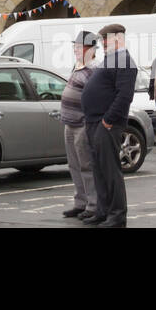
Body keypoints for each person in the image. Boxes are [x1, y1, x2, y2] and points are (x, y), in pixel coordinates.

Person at [81, 23, 137, 227]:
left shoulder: (124, 61)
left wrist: (108, 120)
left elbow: (124, 96)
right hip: (95, 121)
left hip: (107, 124)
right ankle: (103, 211)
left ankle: (117, 215)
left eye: (105, 39)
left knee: (110, 170)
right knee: (99, 169)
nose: (102, 43)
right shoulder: (112, 59)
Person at [61, 31, 100, 221]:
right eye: (74, 47)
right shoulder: (77, 66)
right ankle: (80, 202)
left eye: (79, 47)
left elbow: (96, 98)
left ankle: (93, 205)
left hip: (82, 124)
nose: (75, 50)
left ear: (90, 49)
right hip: (70, 123)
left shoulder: (94, 69)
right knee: (74, 165)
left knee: (86, 166)